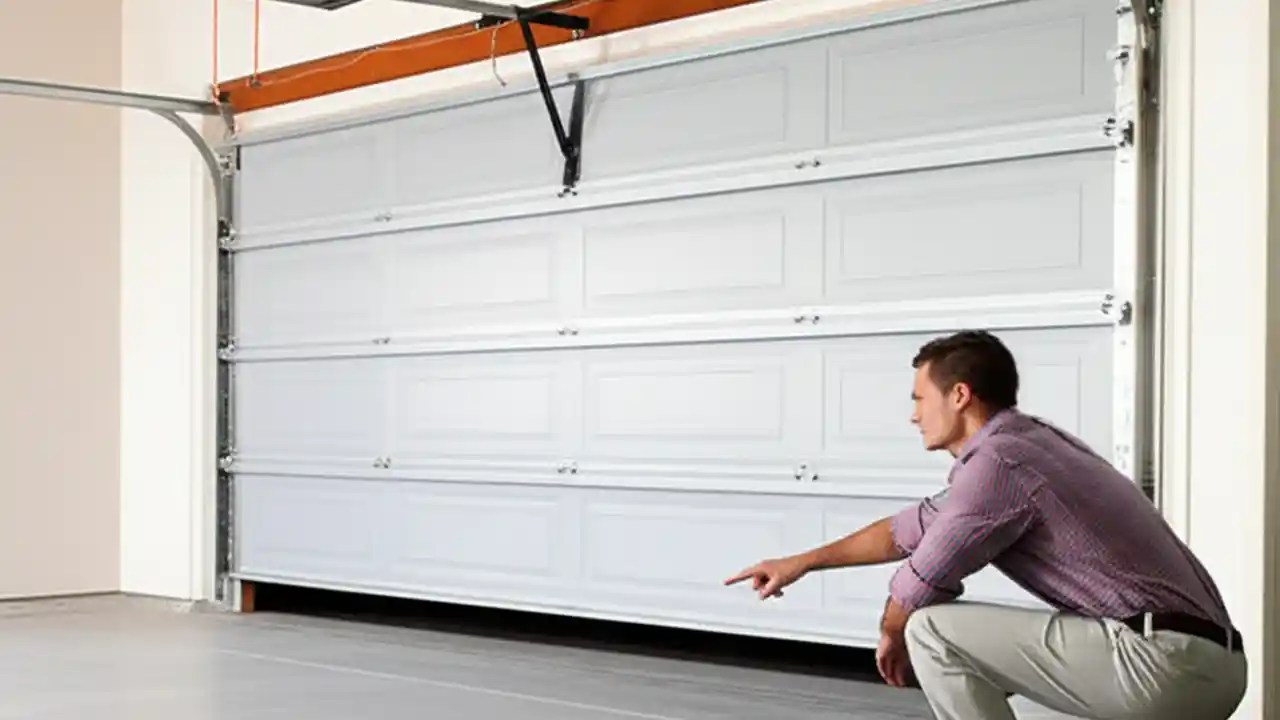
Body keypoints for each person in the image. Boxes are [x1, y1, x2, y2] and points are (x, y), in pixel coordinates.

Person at [724, 330, 1247, 719]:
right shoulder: (1028, 447)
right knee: (972, 660)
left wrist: (892, 632)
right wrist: (799, 563)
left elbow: (920, 582)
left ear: (959, 396)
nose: (912, 415)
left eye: (919, 399)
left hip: (1160, 666)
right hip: (1205, 663)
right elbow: (908, 529)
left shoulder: (1000, 466)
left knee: (931, 629)